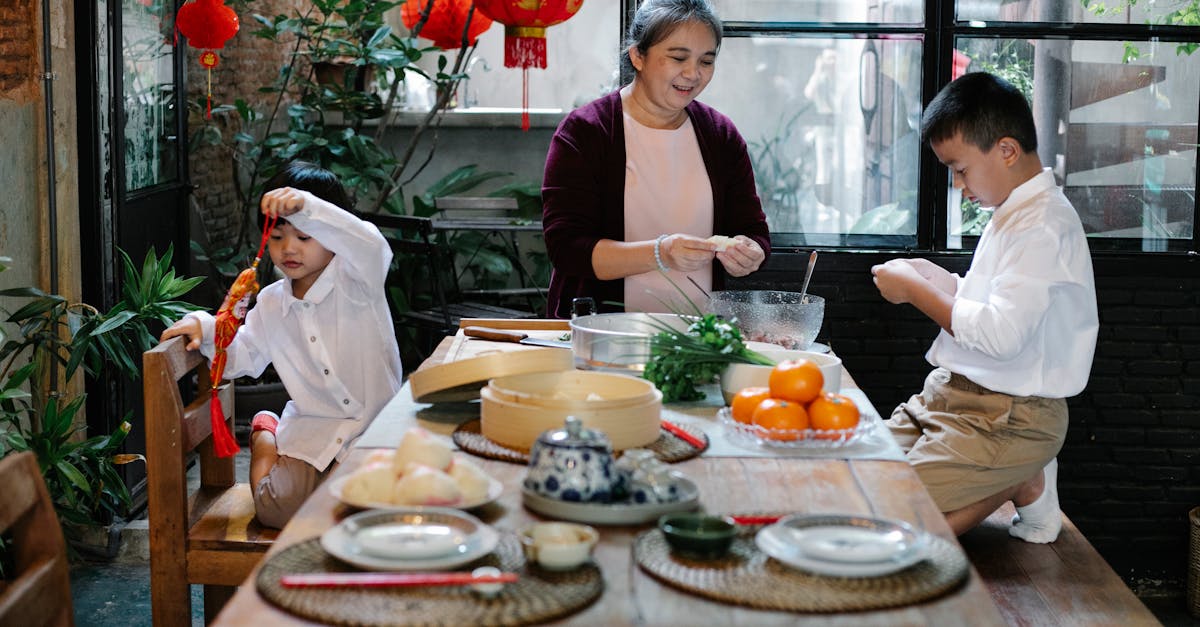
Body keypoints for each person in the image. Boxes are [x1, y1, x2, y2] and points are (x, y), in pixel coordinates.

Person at [871, 72, 1098, 542]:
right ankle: (1023, 478)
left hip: (1011, 418)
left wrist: (916, 292)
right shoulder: (1012, 212)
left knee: (890, 525)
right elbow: (995, 307)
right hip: (952, 399)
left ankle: (1020, 474)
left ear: (1007, 151)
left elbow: (999, 335)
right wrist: (936, 278)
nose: (958, 185)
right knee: (856, 483)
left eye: (960, 169)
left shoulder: (1043, 226)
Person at [160, 161, 403, 528]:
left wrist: (307, 205)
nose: (289, 248)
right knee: (276, 511)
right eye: (277, 236)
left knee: (364, 512)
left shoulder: (359, 278)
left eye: (304, 236)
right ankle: (267, 436)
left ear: (331, 234)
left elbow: (370, 244)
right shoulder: (272, 302)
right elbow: (243, 357)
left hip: (375, 432)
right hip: (312, 432)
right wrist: (207, 327)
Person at [541, 0, 770, 318]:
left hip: (696, 335)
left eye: (706, 61)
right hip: (600, 332)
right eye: (678, 58)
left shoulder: (720, 135)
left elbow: (752, 228)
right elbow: (566, 248)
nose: (693, 73)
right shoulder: (586, 131)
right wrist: (660, 253)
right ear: (638, 56)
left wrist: (751, 251)